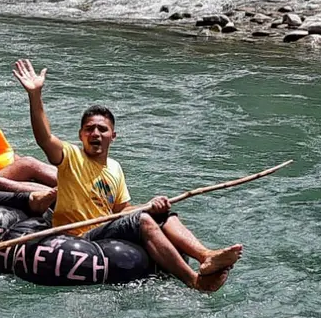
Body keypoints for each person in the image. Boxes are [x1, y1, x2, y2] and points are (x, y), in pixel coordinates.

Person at [13, 58, 243, 293]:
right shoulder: (71, 156)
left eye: (102, 129)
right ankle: (194, 281)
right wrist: (35, 95)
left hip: (104, 229)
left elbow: (120, 211)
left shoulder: (115, 168)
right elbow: (44, 138)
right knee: (143, 220)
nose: (96, 133)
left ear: (113, 136)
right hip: (79, 235)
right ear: (81, 135)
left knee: (165, 214)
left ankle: (205, 255)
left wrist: (151, 206)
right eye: (89, 129)